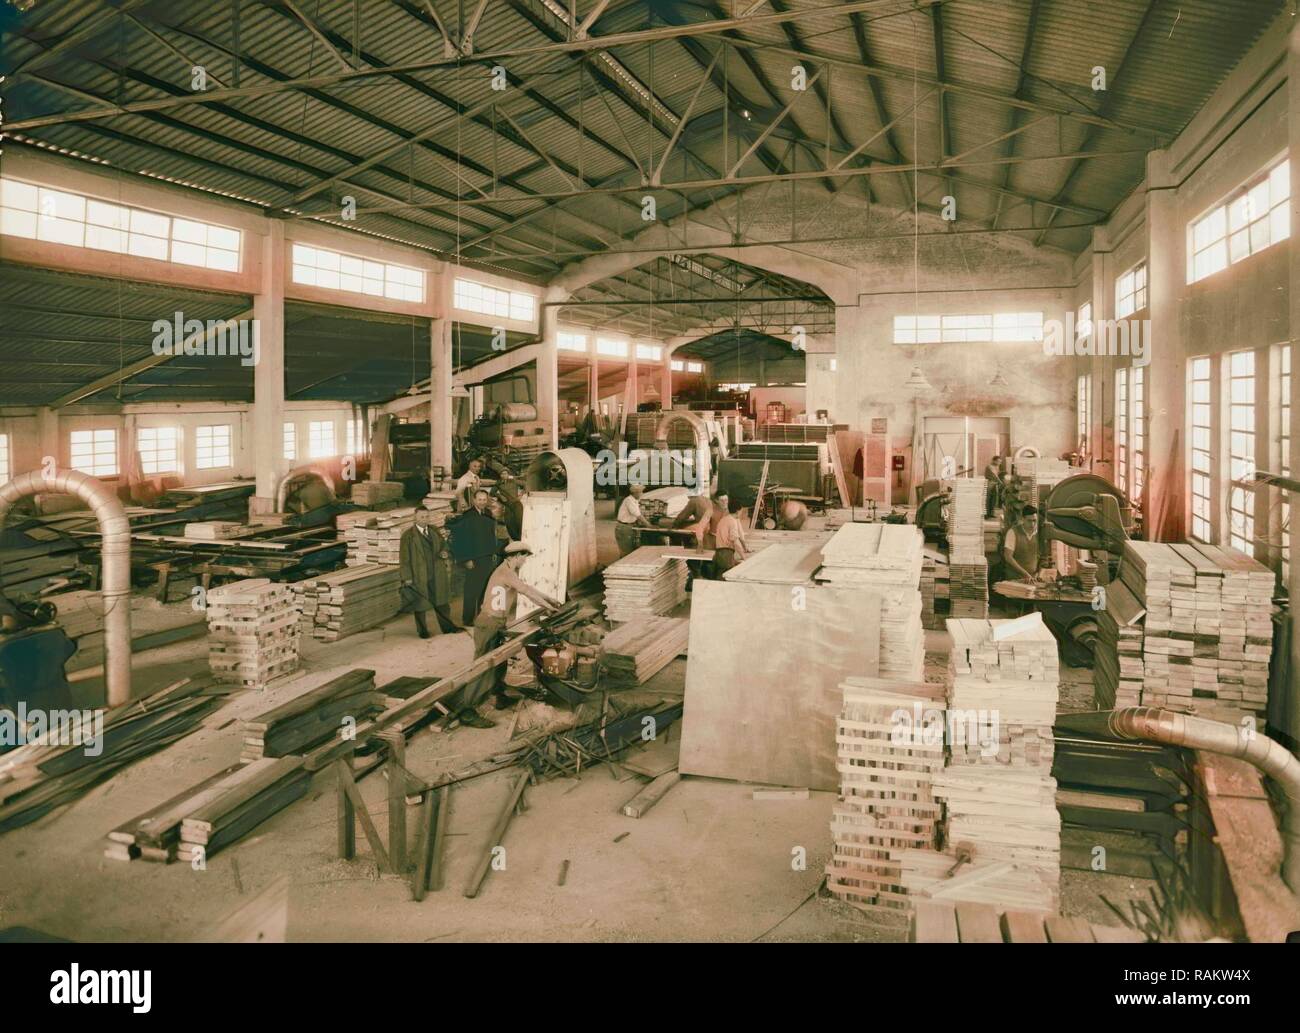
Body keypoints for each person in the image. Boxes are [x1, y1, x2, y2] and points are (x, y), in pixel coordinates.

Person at [456, 541, 563, 728]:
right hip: (488, 623)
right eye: (524, 557)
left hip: (497, 622)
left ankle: (499, 696)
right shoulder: (505, 572)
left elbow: (526, 586)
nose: (525, 561)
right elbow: (526, 591)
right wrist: (548, 608)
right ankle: (467, 711)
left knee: (499, 662)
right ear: (515, 556)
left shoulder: (508, 571)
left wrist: (549, 599)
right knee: (483, 666)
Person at [448, 488, 499, 625]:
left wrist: (493, 552)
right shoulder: (467, 516)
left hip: (487, 557)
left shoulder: (488, 513)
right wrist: (466, 559)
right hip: (473, 559)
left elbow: (491, 536)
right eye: (480, 500)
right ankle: (468, 619)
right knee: (472, 589)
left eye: (484, 500)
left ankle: (481, 616)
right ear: (474, 500)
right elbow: (461, 540)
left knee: (485, 589)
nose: (482, 502)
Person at [398, 508, 442, 638]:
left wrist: (444, 553)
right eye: (422, 517)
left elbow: (443, 545)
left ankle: (447, 627)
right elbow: (404, 559)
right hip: (418, 574)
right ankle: (422, 631)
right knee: (420, 604)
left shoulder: (434, 531)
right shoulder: (408, 536)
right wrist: (407, 577)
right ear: (415, 518)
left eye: (427, 517)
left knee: (441, 601)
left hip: (435, 572)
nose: (425, 520)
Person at [1002, 504, 1041, 582]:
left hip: (1032, 579)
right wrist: (1025, 573)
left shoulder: (1040, 534)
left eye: (1034, 521)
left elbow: (1042, 557)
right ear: (1022, 519)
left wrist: (1038, 573)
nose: (1032, 524)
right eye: (1029, 521)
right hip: (1014, 578)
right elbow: (1008, 557)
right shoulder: (1013, 532)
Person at [712, 496, 750, 575]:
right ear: (737, 511)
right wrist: (744, 558)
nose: (741, 513)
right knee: (726, 578)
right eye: (741, 511)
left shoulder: (725, 519)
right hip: (726, 554)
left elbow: (739, 536)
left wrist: (745, 548)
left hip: (719, 553)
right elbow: (736, 542)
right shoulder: (732, 521)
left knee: (720, 577)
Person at [615, 483, 651, 556]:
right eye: (641, 492)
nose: (642, 494)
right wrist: (649, 525)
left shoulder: (635, 500)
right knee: (626, 552)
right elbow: (638, 515)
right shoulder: (629, 501)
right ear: (636, 493)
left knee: (632, 550)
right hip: (624, 528)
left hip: (629, 527)